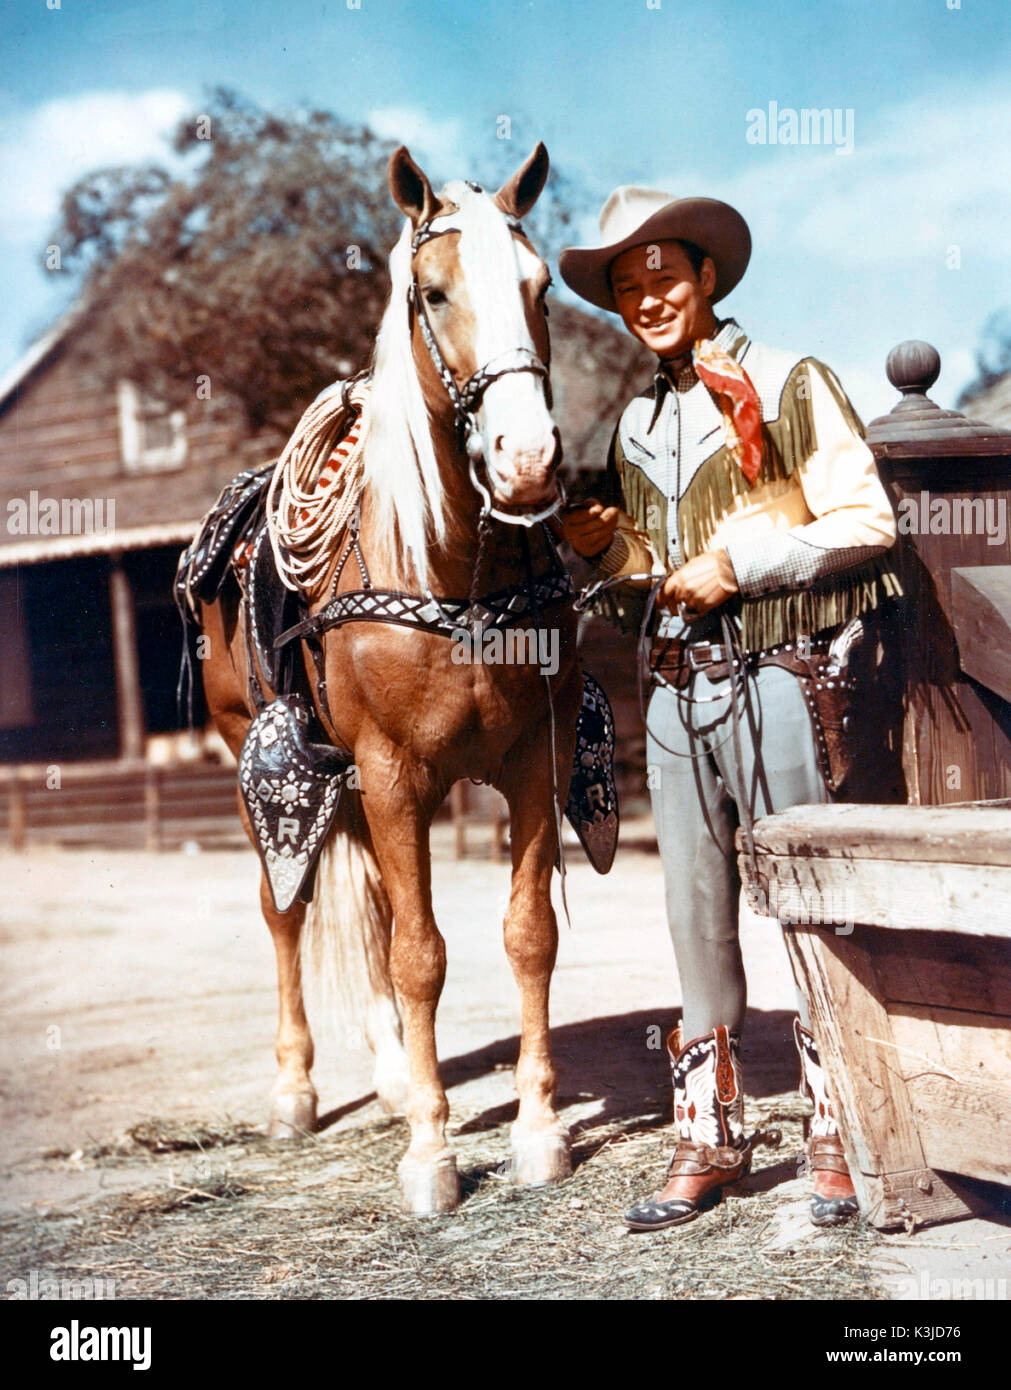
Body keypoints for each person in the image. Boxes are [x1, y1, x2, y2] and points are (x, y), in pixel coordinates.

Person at [558, 188, 900, 1231]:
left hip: (781, 678)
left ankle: (842, 1125)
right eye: (628, 287)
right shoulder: (635, 422)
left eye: (664, 274)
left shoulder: (790, 382)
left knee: (811, 903)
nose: (649, 298)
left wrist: (738, 562)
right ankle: (708, 1131)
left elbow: (868, 522)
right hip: (674, 694)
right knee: (693, 919)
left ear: (707, 275)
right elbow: (653, 579)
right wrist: (605, 553)